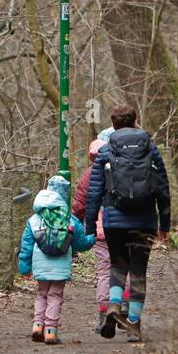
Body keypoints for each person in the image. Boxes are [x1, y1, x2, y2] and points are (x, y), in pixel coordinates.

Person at [83, 104, 170, 342]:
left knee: (118, 266)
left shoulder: (105, 151)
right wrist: (165, 224)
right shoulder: (150, 150)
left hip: (113, 220)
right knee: (138, 270)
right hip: (144, 221)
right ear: (135, 121)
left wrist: (90, 225)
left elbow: (94, 192)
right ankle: (133, 323)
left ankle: (113, 304)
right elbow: (163, 189)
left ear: (113, 124)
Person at [18, 178, 95, 345]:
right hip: (60, 267)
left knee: (41, 294)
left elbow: (26, 246)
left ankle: (37, 326)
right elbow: (81, 244)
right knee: (55, 295)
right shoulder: (70, 219)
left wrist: (24, 267)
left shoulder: (35, 219)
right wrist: (92, 238)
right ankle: (50, 331)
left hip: (40, 265)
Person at [71, 139, 113, 334]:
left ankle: (103, 314)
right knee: (126, 268)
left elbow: (79, 205)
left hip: (99, 230)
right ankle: (128, 310)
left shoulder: (89, 174)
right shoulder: (121, 168)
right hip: (122, 226)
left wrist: (77, 225)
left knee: (104, 271)